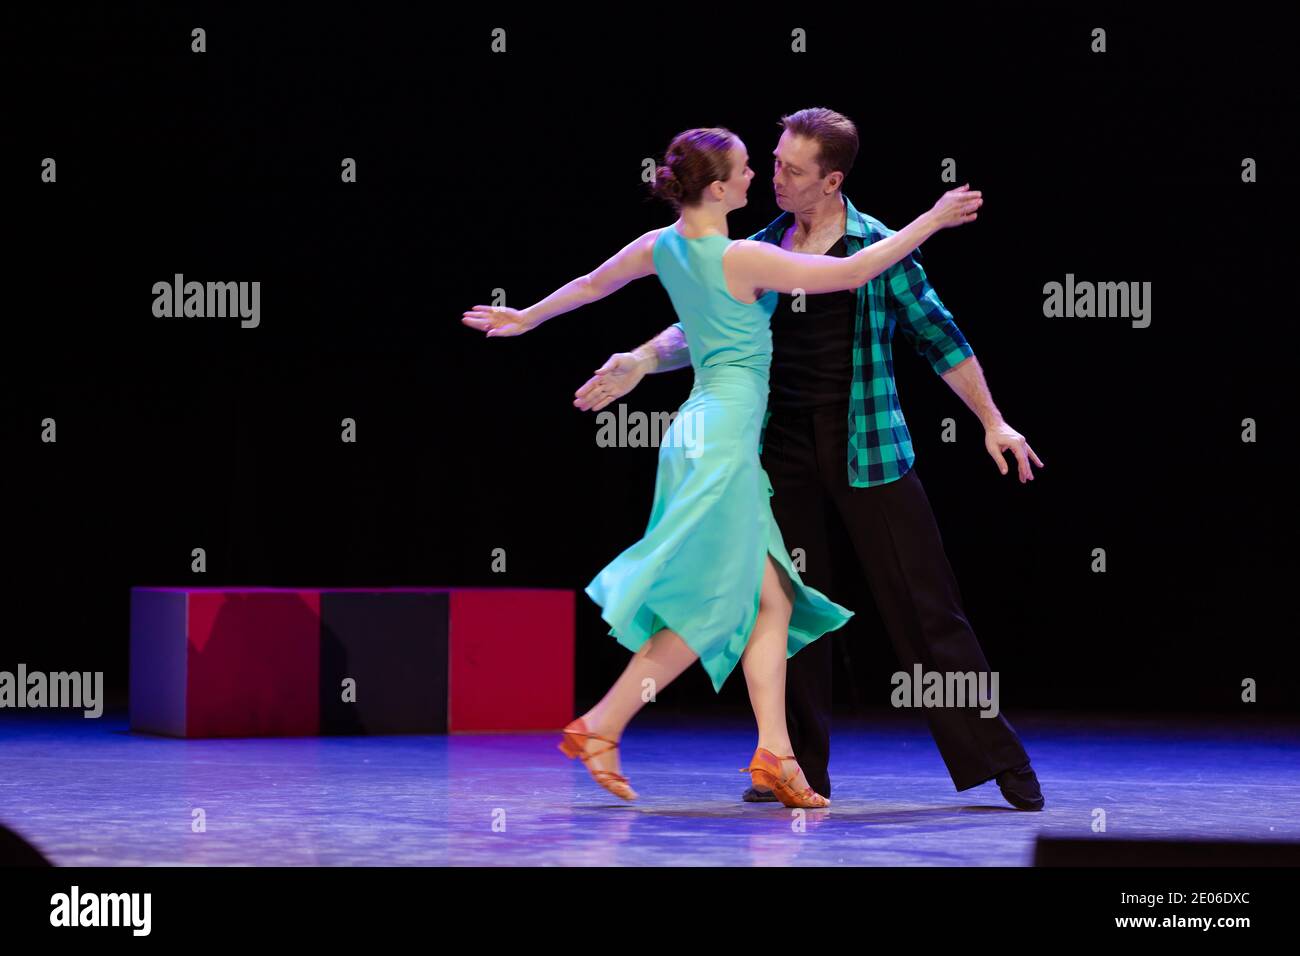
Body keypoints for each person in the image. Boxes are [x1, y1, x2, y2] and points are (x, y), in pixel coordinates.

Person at [462, 126, 981, 806]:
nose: (757, 178)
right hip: (727, 436)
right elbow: (855, 271)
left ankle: (778, 755)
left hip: (700, 430)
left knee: (771, 600)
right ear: (715, 187)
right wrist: (934, 220)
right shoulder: (743, 258)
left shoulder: (663, 246)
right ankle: (603, 723)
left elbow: (592, 284)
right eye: (745, 169)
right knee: (712, 599)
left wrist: (528, 317)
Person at [574, 108, 1044, 810]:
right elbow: (705, 320)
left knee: (927, 610)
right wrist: (643, 358)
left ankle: (1000, 760)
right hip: (782, 449)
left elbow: (941, 338)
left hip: (868, 445)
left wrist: (993, 420)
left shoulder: (878, 247)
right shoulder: (762, 243)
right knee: (786, 609)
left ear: (832, 181)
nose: (774, 179)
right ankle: (793, 767)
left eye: (792, 171)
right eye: (772, 163)